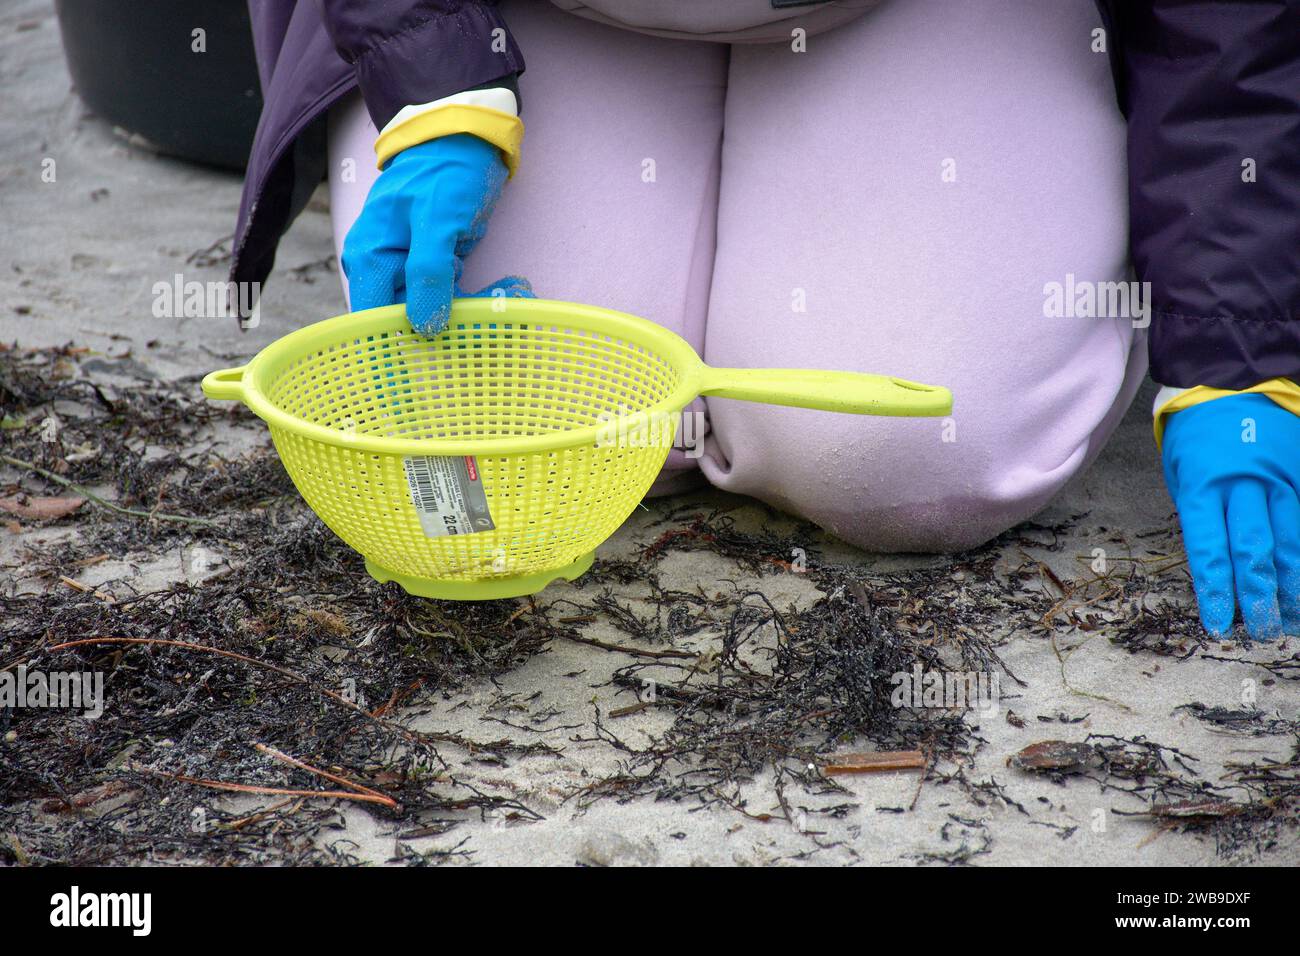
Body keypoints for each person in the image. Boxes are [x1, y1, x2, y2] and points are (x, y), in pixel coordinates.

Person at [230, 0, 1300, 639]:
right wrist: (432, 76)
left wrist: (1235, 340)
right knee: (517, 445)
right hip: (535, 24)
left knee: (911, 455)